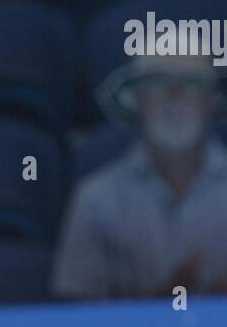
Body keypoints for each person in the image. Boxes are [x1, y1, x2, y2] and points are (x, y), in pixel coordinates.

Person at [52, 54, 227, 300]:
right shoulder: (94, 199)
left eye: (191, 83)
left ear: (211, 99)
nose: (174, 97)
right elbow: (76, 317)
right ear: (137, 98)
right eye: (158, 83)